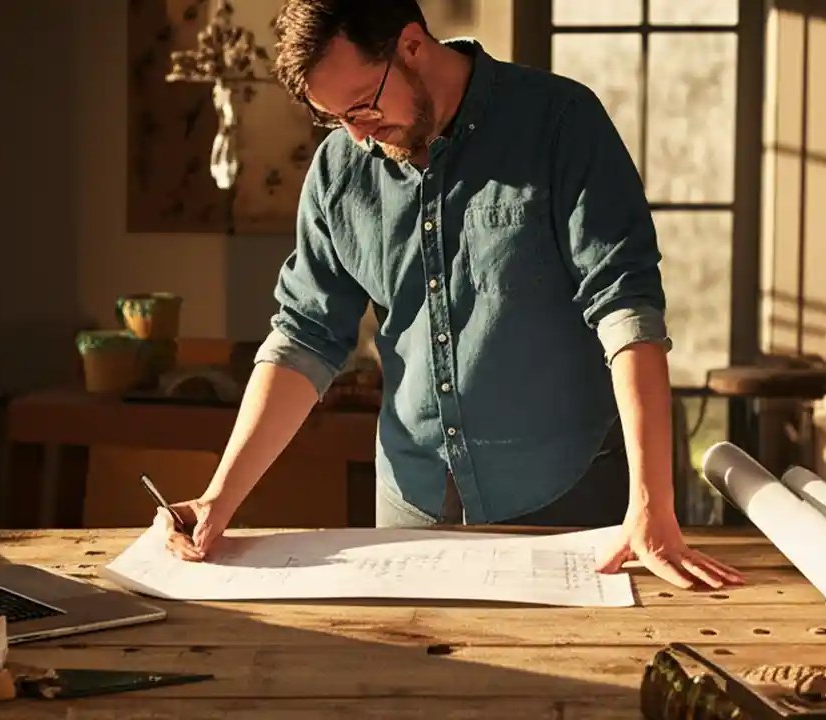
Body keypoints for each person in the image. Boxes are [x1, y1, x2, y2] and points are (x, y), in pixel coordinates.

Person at [162, 0, 743, 591]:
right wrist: (219, 496)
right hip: (409, 504)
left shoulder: (560, 121)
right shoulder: (340, 169)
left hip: (565, 497)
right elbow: (303, 336)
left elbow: (626, 306)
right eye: (333, 118)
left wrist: (651, 505)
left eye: (362, 106)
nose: (357, 135)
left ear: (411, 45)